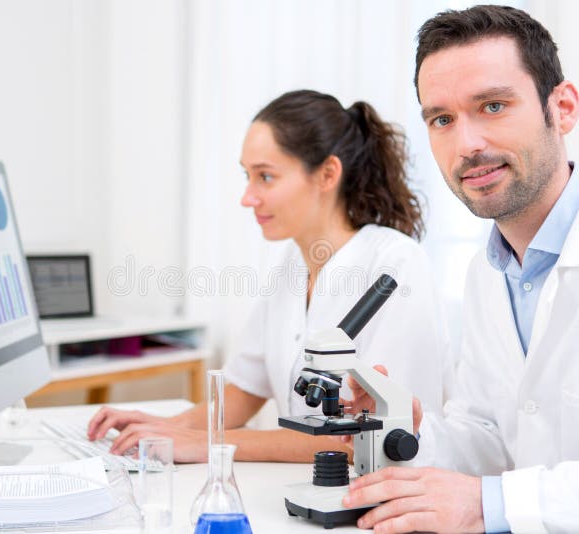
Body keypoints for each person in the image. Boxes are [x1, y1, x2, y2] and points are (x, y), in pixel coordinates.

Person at [340, 5, 579, 533]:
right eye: (441, 119)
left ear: (563, 107)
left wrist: (490, 506)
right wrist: (406, 427)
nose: (466, 145)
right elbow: (492, 436)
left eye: (492, 105)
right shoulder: (486, 272)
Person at [86, 89, 450, 464]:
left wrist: (209, 445)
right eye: (248, 176)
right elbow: (244, 390)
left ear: (327, 174)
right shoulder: (293, 264)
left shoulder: (395, 264)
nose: (248, 197)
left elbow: (375, 432)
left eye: (266, 177)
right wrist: (159, 429)